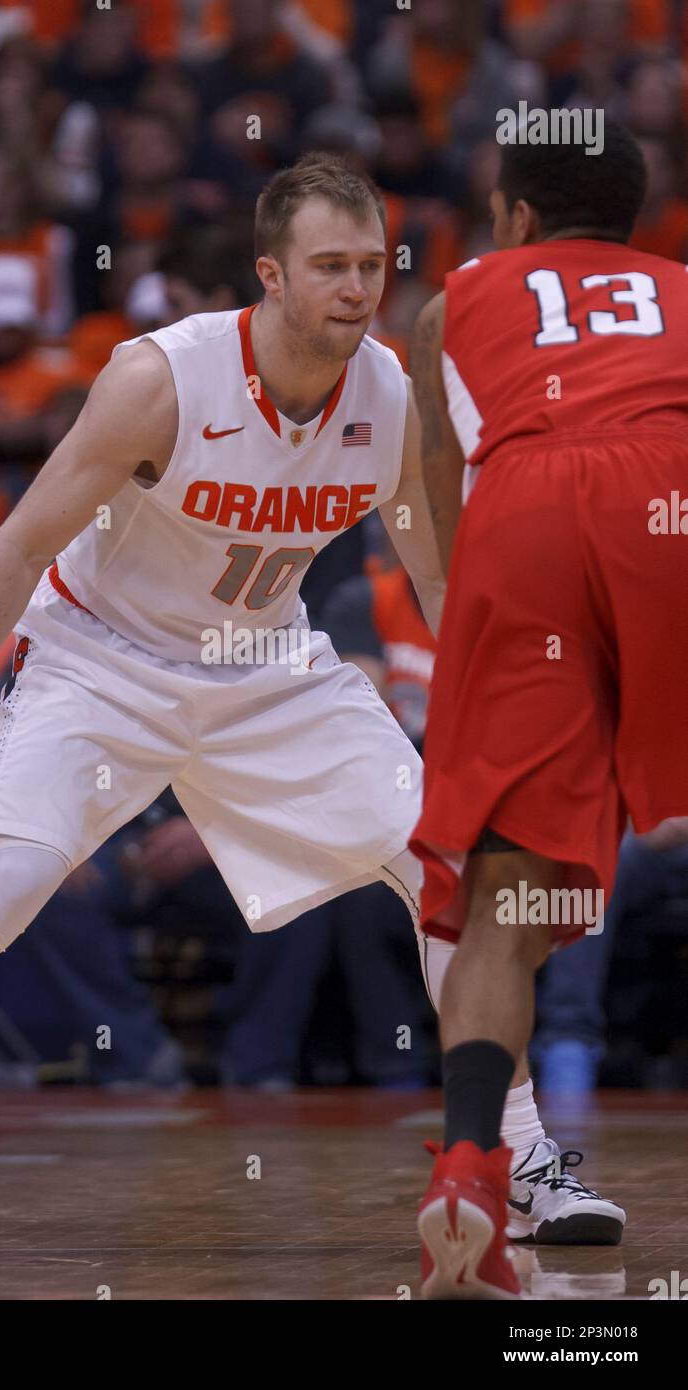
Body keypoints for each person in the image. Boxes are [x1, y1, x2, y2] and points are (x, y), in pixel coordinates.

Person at [0, 153, 607, 1255]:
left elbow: (438, 582)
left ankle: (512, 1158)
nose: (354, 287)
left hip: (271, 670)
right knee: (3, 887)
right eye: (326, 265)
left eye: (370, 265)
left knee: (448, 870)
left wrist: (512, 715)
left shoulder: (388, 393)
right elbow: (19, 542)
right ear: (268, 277)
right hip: (101, 662)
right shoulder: (159, 380)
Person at [409, 118, 687, 1298]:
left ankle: (470, 1164)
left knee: (501, 900)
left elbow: (436, 506)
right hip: (667, 498)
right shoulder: (681, 292)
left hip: (525, 518)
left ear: (515, 217)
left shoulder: (452, 301)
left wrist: (490, 620)